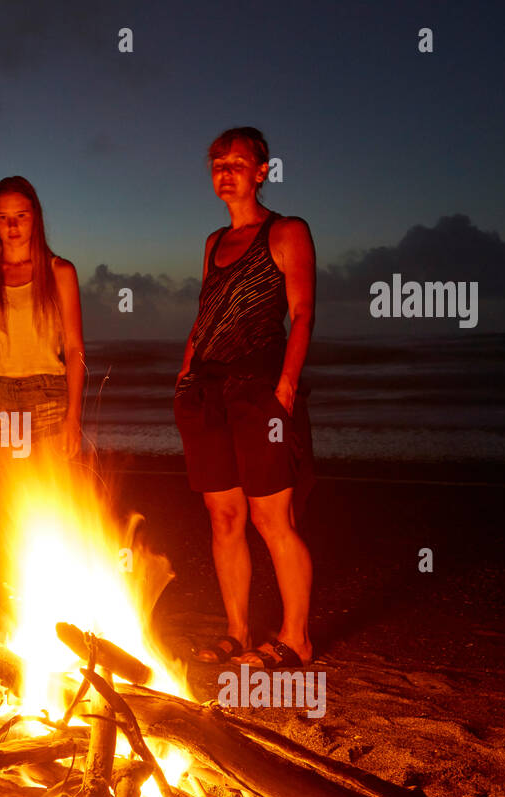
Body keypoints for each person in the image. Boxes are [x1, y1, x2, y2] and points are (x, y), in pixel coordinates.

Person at [175, 127, 316, 669]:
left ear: (263, 172)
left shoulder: (286, 232)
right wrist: (186, 372)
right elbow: (207, 312)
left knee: (271, 517)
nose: (225, 171)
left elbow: (302, 313)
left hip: (259, 389)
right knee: (224, 515)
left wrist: (284, 386)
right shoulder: (214, 242)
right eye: (217, 163)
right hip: (207, 391)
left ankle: (295, 638)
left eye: (238, 163)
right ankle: (236, 631)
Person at [0, 176, 85, 463]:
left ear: (34, 218)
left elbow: (75, 347)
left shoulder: (60, 272)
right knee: (2, 503)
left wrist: (73, 417)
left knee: (54, 500)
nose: (13, 226)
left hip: (49, 394)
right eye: (4, 217)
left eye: (21, 216)